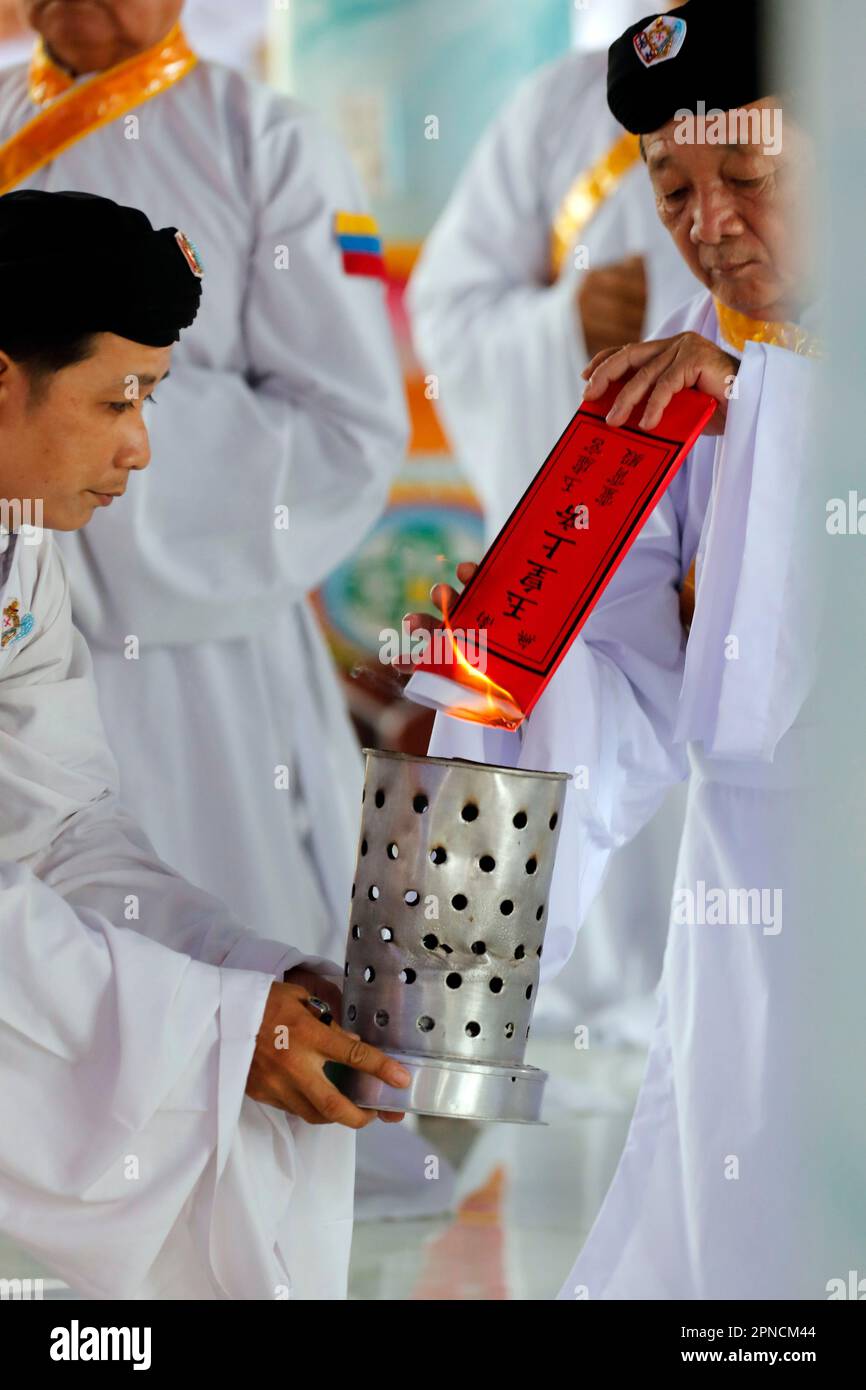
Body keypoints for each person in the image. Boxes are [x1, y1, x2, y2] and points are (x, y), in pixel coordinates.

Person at [412, 1, 823, 1297]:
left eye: (745, 180)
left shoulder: (738, 381)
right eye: (671, 187)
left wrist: (765, 408)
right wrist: (512, 639)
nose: (704, 223)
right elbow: (629, 686)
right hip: (746, 881)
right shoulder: (687, 380)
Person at [0, 188, 409, 1300]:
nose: (140, 450)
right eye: (116, 400)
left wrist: (247, 975)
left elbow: (58, 825)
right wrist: (222, 1029)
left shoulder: (17, 543)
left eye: (155, 400)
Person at [407, 0, 696, 1045]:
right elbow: (447, 311)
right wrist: (561, 322)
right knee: (580, 715)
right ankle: (540, 1007)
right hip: (601, 513)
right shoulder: (564, 102)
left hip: (763, 497)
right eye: (677, 191)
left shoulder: (824, 82)